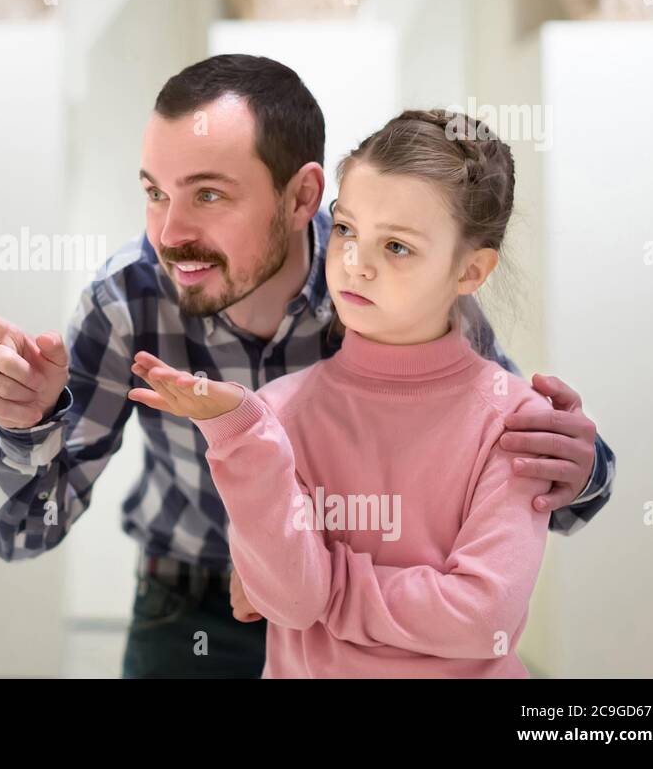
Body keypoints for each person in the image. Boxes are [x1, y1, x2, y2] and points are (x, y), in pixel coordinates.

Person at [0, 55, 615, 678]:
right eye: (156, 193)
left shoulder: (396, 285)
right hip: (189, 607)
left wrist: (585, 469)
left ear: (302, 197)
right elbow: (19, 537)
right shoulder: (127, 298)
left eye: (208, 195)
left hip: (383, 630)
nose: (169, 232)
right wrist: (28, 425)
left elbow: (533, 480)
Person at [131, 108, 551, 677]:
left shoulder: (516, 419)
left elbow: (484, 616)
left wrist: (325, 583)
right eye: (347, 229)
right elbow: (287, 601)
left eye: (397, 247)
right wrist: (237, 435)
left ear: (471, 272)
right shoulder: (274, 415)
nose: (355, 263)